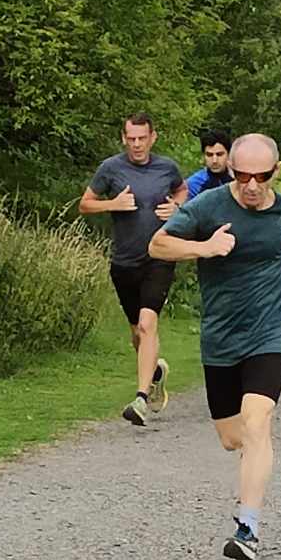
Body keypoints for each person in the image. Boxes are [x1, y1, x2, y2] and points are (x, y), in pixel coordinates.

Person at [150, 132, 281, 560]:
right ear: (231, 170)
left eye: (261, 176)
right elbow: (158, 244)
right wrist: (204, 247)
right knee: (233, 438)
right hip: (220, 338)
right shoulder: (207, 207)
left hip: (268, 335)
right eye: (242, 175)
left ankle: (247, 527)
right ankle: (252, 465)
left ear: (276, 172)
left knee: (257, 420)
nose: (251, 185)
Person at [81, 114, 185, 427]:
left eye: (142, 138)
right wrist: (111, 204)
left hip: (160, 255)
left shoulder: (167, 167)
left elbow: (181, 190)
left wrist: (177, 207)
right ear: (123, 138)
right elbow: (85, 204)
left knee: (147, 323)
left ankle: (140, 398)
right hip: (125, 261)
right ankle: (155, 372)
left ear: (153, 137)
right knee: (137, 333)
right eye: (131, 138)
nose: (137, 144)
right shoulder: (110, 168)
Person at [184, 129, 232, 199]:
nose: (214, 160)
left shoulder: (239, 178)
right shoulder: (194, 183)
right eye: (209, 155)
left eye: (219, 154)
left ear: (229, 154)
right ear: (203, 156)